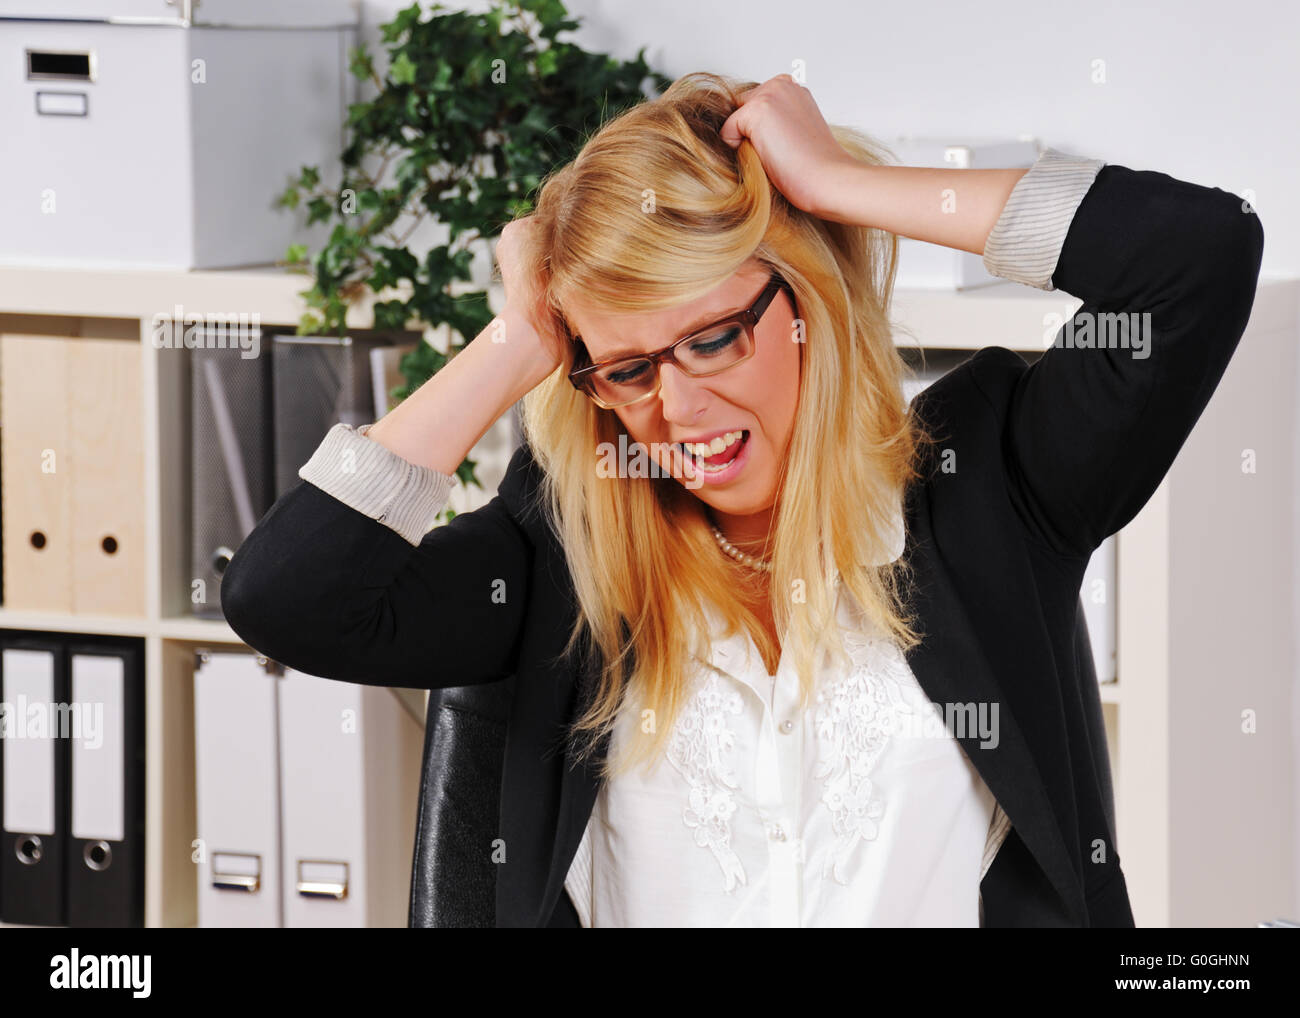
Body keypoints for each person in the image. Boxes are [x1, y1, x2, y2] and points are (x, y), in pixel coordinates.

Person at [220, 72, 1264, 927]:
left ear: (804, 297)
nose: (677, 406)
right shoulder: (564, 555)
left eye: (715, 336)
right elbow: (287, 597)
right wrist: (521, 337)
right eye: (625, 368)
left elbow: (1197, 259)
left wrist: (841, 185)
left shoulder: (992, 482)